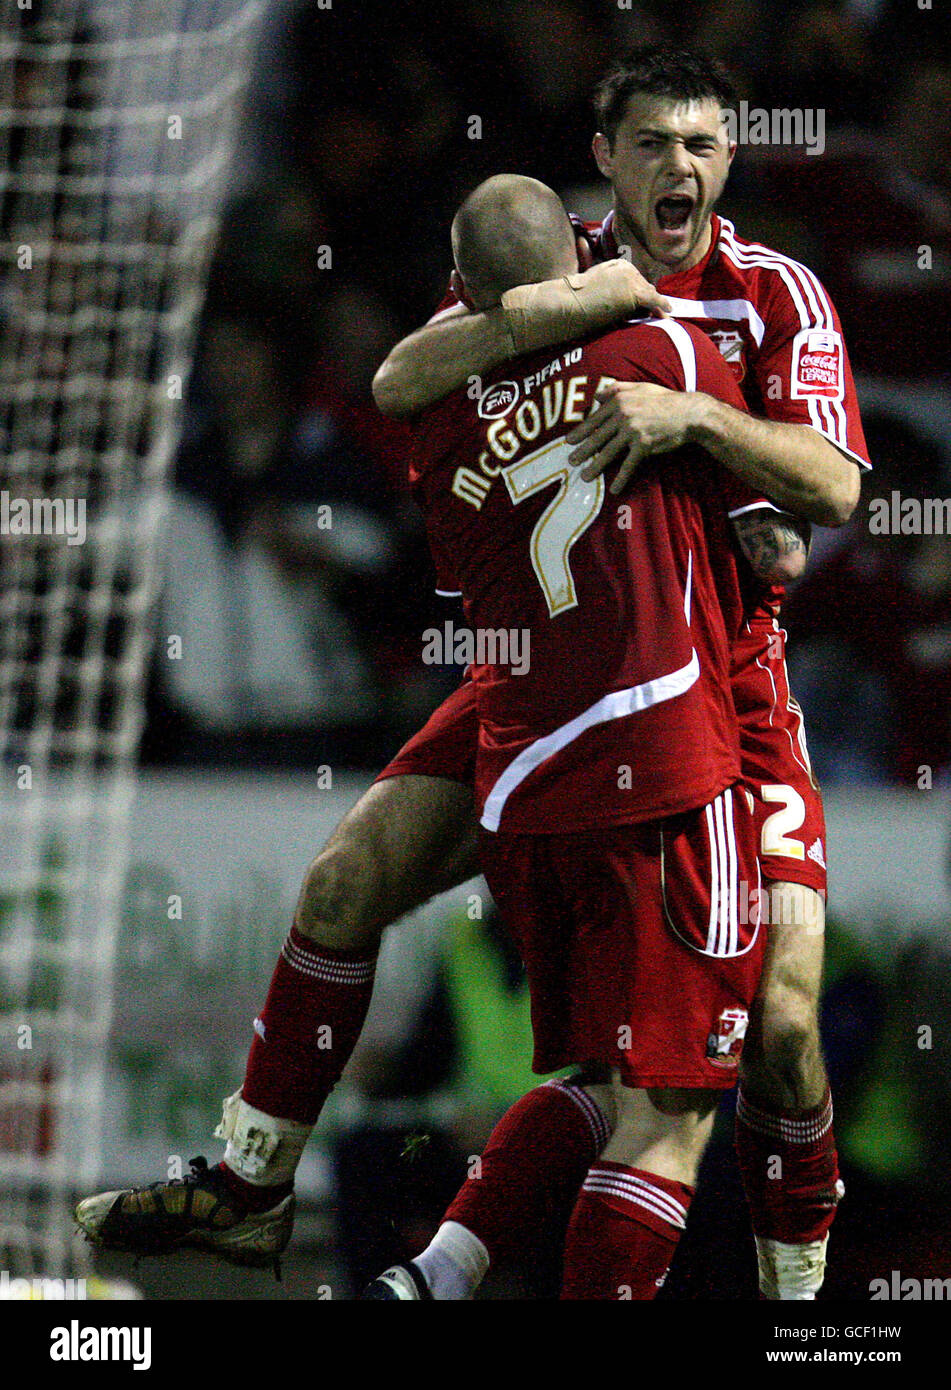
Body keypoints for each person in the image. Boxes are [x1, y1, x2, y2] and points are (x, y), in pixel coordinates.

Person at [75, 46, 867, 1301]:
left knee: (777, 1028)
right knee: (348, 882)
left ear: (733, 156)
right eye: (653, 141)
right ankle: (249, 1184)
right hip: (564, 674)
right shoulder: (550, 260)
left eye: (705, 142)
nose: (682, 165)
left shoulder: (775, 296)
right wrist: (571, 314)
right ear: (604, 159)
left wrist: (701, 424)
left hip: (733, 686)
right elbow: (405, 370)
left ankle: (785, 1292)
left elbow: (832, 484)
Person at [368, 172, 810, 1300]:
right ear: (578, 251)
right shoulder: (660, 359)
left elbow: (405, 375)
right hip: (663, 766)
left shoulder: (436, 417)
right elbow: (786, 536)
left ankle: (438, 1271)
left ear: (461, 291)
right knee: (670, 1116)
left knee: (609, 1080)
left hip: (524, 789)